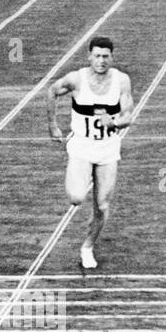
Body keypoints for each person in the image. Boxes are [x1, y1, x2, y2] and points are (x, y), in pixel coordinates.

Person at [46, 36, 135, 269]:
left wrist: (114, 123)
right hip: (82, 146)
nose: (101, 61)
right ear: (89, 56)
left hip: (107, 149)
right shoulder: (76, 79)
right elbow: (52, 91)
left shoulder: (121, 81)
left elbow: (128, 115)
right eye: (97, 56)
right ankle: (78, 176)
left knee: (103, 205)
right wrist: (53, 125)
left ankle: (87, 247)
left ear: (112, 58)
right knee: (76, 197)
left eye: (106, 56)